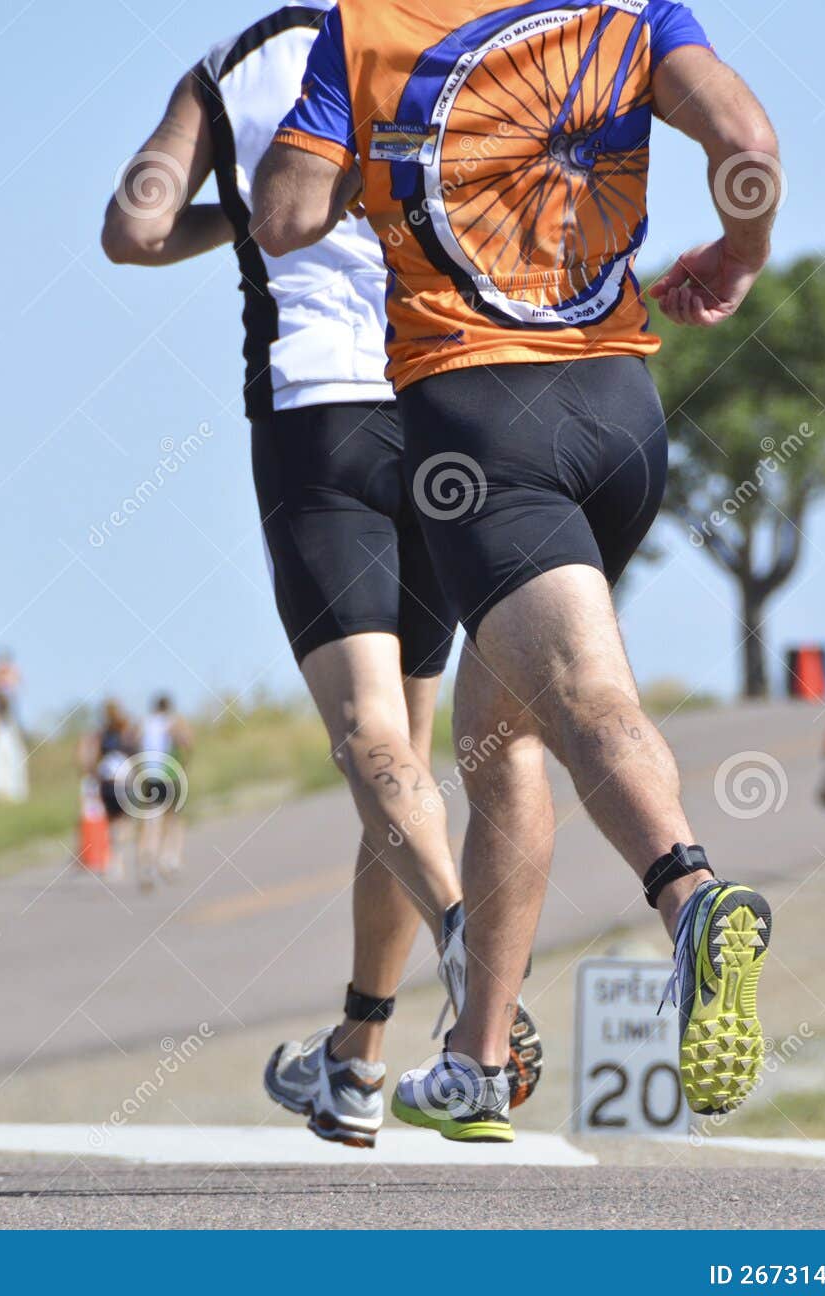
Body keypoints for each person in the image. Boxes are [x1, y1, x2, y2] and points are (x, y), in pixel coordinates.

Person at [253, 0, 782, 1141]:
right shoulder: (635, 11)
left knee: (586, 697)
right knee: (504, 734)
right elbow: (745, 142)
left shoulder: (366, 27)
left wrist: (387, 168)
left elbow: (286, 214)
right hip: (623, 415)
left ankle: (690, 897)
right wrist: (737, 256)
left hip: (481, 423)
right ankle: (478, 1061)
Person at [102, 0, 541, 1148]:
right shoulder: (459, 39)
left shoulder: (229, 66)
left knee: (372, 751)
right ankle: (357, 1055)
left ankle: (464, 949)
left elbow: (134, 229)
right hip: (452, 409)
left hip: (319, 421)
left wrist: (248, 218)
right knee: (400, 769)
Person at [79, 700, 143, 889]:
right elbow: (135, 756)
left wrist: (92, 774)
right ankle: (118, 859)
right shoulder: (126, 734)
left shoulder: (103, 735)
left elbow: (93, 758)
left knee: (112, 822)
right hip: (122, 782)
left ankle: (114, 861)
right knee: (124, 822)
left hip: (107, 782)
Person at [135, 693, 194, 884]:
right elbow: (188, 742)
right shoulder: (172, 722)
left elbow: (134, 742)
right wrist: (185, 760)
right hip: (169, 773)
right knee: (173, 817)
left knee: (152, 818)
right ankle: (169, 857)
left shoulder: (144, 723)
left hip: (148, 774)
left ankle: (148, 857)